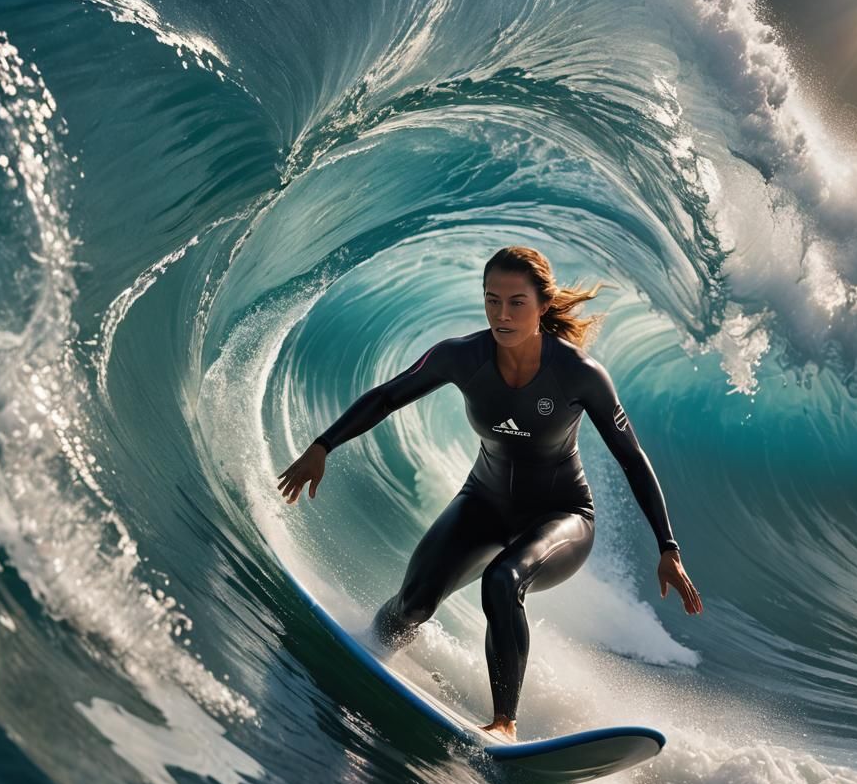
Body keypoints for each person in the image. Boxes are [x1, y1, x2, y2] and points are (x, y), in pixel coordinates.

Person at [277, 246, 702, 742]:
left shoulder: (579, 374)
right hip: (484, 501)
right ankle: (372, 651)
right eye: (491, 300)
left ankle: (505, 722)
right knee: (413, 603)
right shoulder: (463, 356)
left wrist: (668, 548)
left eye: (516, 302)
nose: (501, 314)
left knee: (502, 580)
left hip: (563, 515)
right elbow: (389, 395)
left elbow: (633, 458)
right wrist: (323, 445)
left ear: (542, 305)